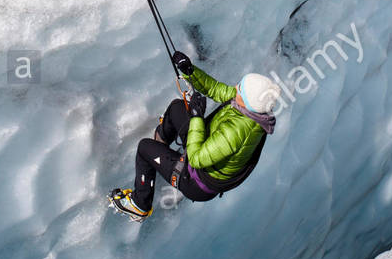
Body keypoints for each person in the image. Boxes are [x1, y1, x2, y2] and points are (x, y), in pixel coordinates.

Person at [108, 53, 280, 220]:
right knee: (177, 108)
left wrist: (197, 118)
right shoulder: (248, 106)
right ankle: (160, 148)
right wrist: (190, 70)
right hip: (203, 147)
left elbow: (197, 158)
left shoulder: (237, 132)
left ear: (248, 101)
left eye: (240, 88)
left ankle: (140, 205)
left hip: (196, 181)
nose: (236, 87)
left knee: (144, 148)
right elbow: (216, 89)